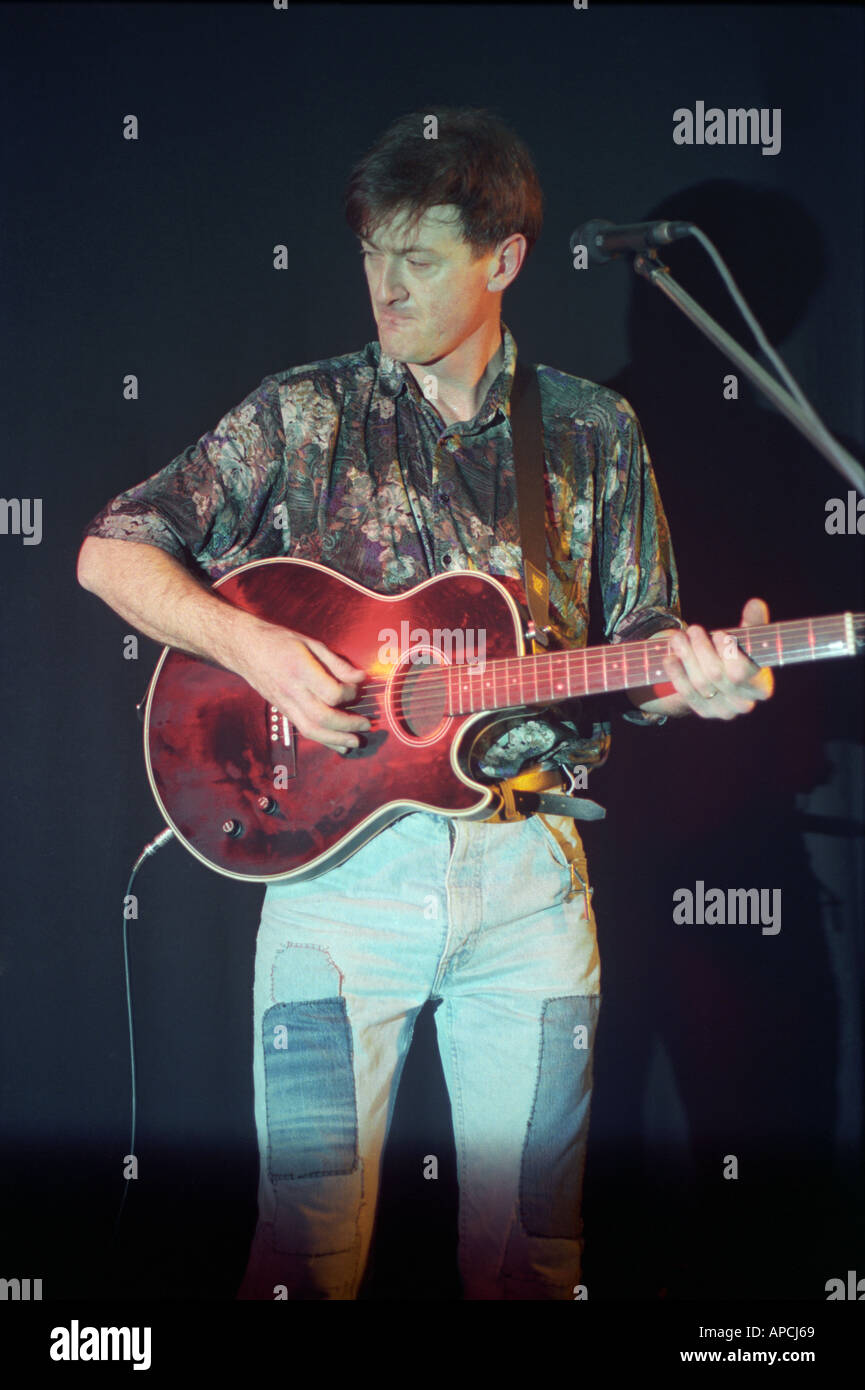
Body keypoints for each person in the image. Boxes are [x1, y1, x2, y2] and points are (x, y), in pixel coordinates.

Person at [77, 107, 773, 1300]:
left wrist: (707, 684)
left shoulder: (593, 432)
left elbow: (642, 642)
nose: (383, 285)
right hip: (332, 895)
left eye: (418, 257)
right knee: (302, 1254)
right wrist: (255, 647)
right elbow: (109, 551)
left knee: (532, 1260)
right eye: (370, 253)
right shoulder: (303, 415)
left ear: (502, 259)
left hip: (529, 889)